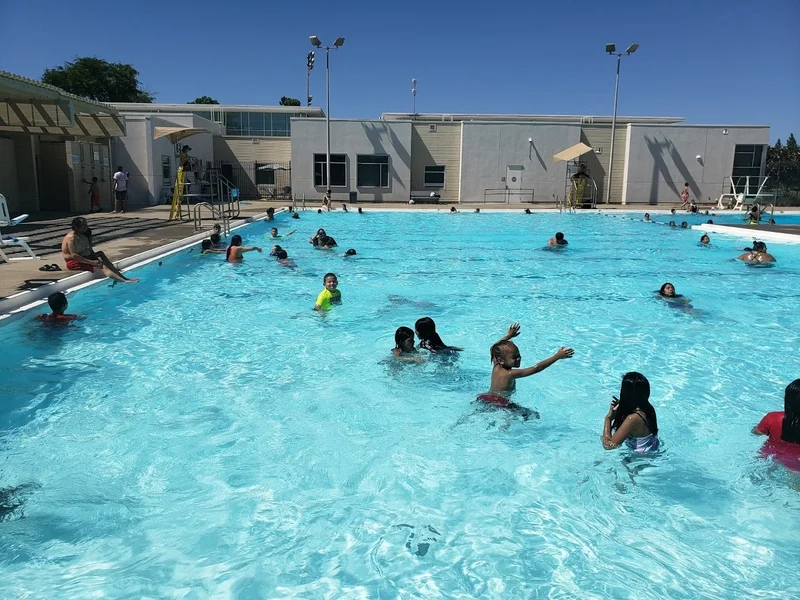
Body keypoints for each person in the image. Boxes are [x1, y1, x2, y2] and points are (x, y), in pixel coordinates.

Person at [478, 322, 573, 406]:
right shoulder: (509, 374)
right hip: (500, 403)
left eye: (518, 355)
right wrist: (557, 356)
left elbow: (493, 348)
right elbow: (536, 368)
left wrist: (508, 335)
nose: (518, 358)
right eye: (514, 357)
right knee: (531, 415)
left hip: (487, 397)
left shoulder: (496, 365)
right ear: (501, 360)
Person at [61, 217, 139, 283]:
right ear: (76, 227)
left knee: (100, 254)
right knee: (100, 264)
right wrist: (91, 262)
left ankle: (118, 275)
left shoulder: (83, 234)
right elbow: (74, 255)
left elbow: (88, 248)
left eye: (86, 224)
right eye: (84, 225)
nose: (86, 227)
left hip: (82, 256)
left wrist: (91, 249)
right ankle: (124, 281)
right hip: (73, 262)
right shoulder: (71, 238)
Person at [601, 372, 660, 452]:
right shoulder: (649, 409)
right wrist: (624, 406)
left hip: (638, 461)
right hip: (650, 456)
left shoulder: (632, 419)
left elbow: (609, 446)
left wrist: (608, 418)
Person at [754, 379, 800, 472]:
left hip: (769, 454)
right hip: (796, 460)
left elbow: (757, 432)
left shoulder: (772, 418)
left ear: (786, 399)